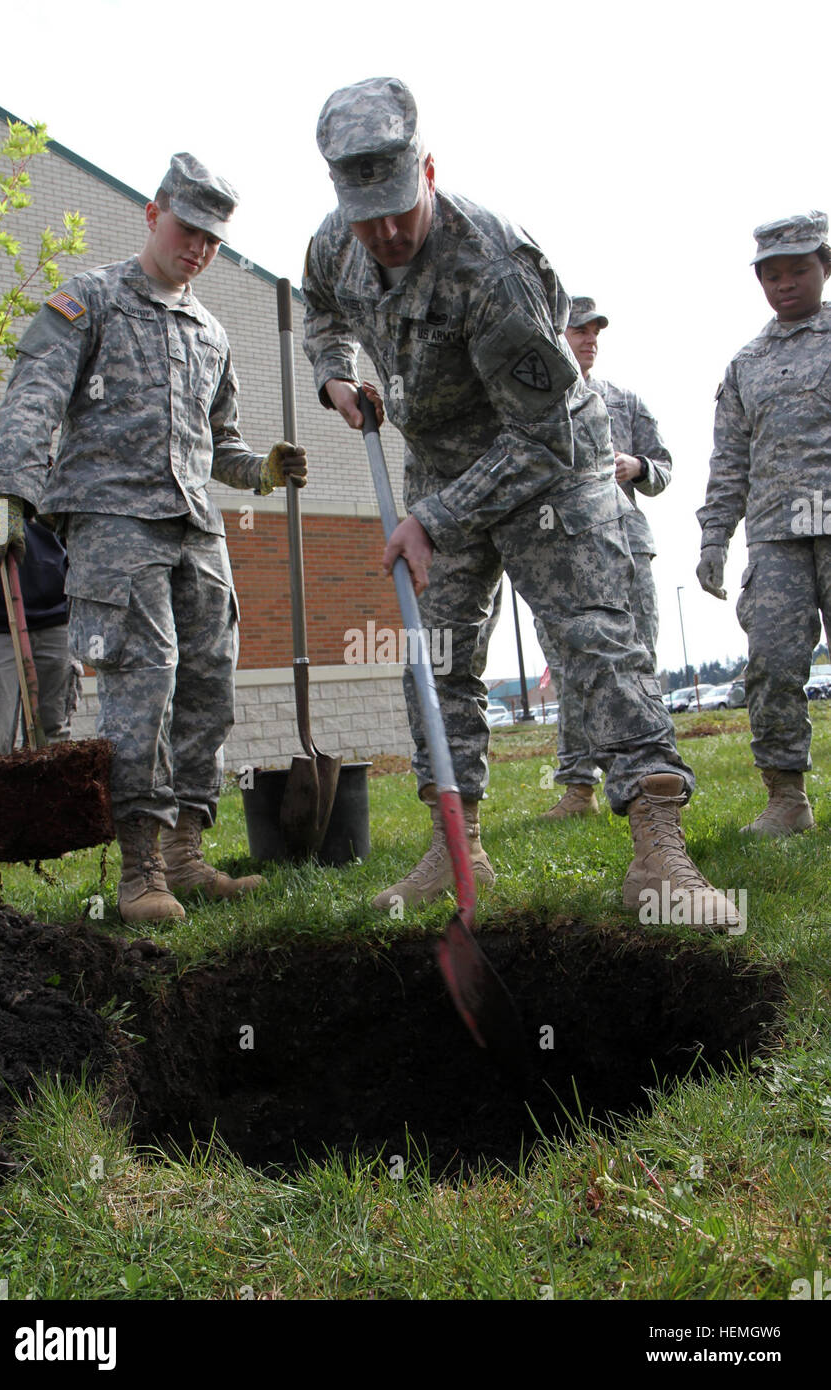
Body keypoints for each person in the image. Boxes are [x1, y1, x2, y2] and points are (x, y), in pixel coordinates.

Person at [303, 76, 740, 930]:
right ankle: (453, 848)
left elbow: (539, 435)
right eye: (368, 215)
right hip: (438, 460)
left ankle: (660, 854)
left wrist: (432, 518)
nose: (388, 232)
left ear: (428, 170)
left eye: (401, 206)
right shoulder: (334, 244)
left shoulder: (493, 264)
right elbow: (321, 309)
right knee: (437, 653)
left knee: (595, 640)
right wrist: (334, 374)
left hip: (550, 463)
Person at [0, 153, 307, 923]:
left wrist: (259, 469)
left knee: (207, 688)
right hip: (113, 525)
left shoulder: (211, 333)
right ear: (154, 213)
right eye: (189, 229)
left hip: (196, 528)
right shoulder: (87, 301)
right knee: (141, 687)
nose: (197, 248)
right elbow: (34, 398)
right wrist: (7, 494)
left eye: (213, 241)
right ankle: (139, 872)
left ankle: (187, 855)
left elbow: (217, 443)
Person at [697, 210, 831, 837]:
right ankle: (786, 800)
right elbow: (729, 458)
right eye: (771, 275)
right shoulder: (746, 363)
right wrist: (713, 537)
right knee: (773, 664)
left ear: (823, 268)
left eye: (798, 270)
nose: (784, 284)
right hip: (776, 538)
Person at [538, 296, 673, 818]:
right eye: (579, 331)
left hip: (626, 547)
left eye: (595, 332)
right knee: (569, 668)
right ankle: (578, 789)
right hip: (560, 554)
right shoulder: (536, 404)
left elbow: (663, 467)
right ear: (556, 335)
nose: (589, 339)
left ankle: (655, 778)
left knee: (639, 658)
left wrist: (638, 467)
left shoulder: (626, 402)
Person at [0, 468, 81, 858]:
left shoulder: (44, 470)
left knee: (53, 730)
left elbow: (71, 531)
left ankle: (54, 835)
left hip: (52, 616)